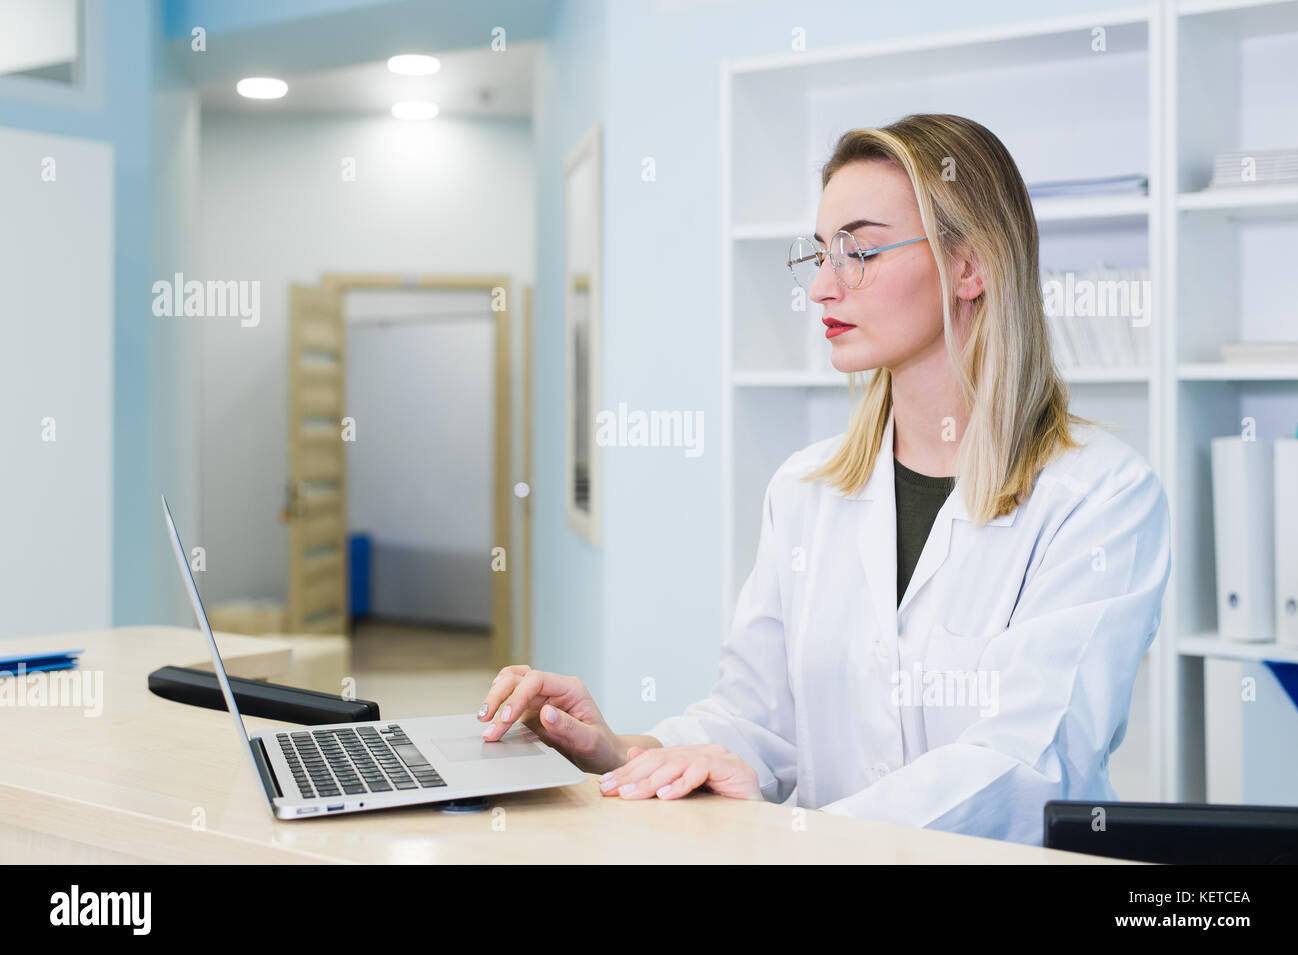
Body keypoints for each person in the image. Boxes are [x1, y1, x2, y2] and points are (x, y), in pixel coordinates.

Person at [476, 113, 1171, 844]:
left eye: (859, 252)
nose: (822, 288)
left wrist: (800, 831)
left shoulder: (1099, 497)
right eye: (820, 255)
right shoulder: (805, 488)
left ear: (972, 267)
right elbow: (755, 720)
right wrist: (623, 751)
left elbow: (1027, 763)